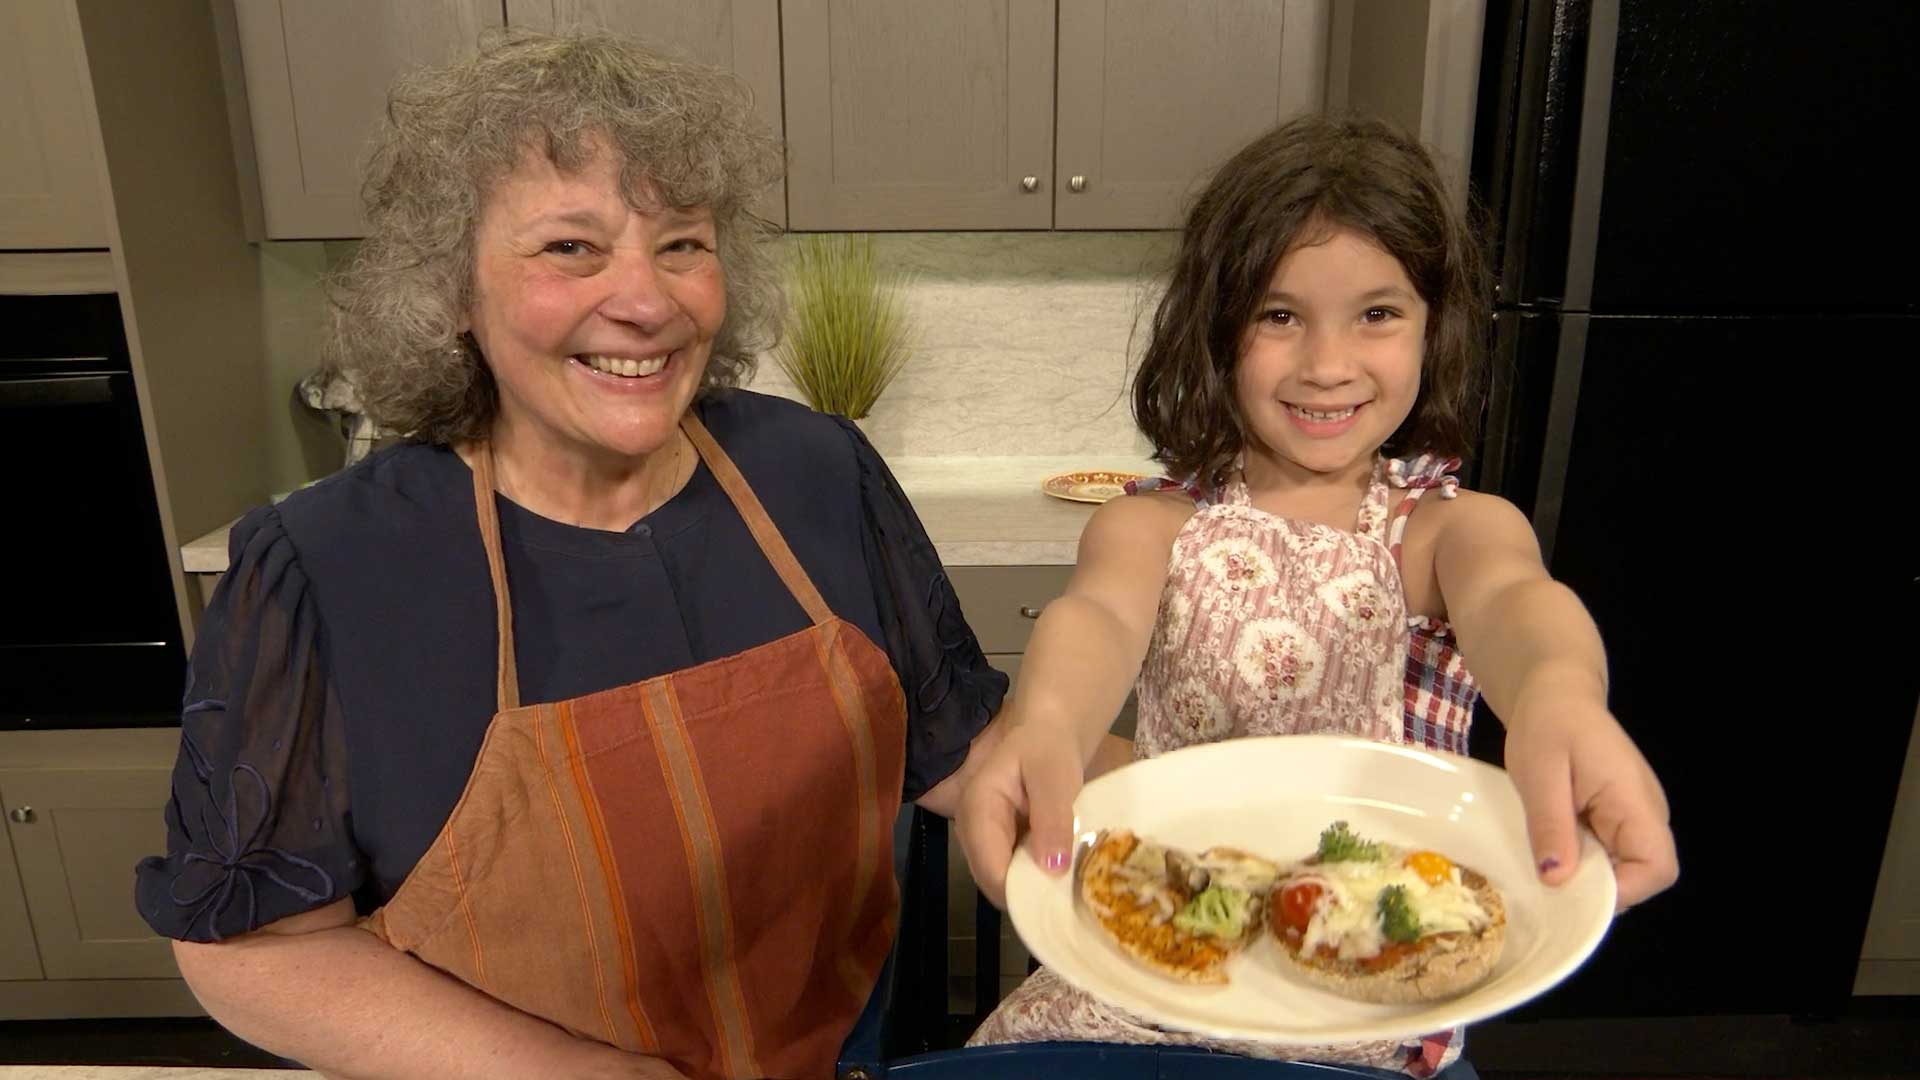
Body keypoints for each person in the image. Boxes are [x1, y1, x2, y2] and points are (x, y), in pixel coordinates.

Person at [133, 29, 1008, 1080]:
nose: (646, 301)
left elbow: (958, 745)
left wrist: (1201, 820)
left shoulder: (819, 471)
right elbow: (256, 952)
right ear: (455, 291)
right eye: (570, 248)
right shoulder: (328, 567)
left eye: (682, 243)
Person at [955, 114, 1679, 1076]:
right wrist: (1045, 721)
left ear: (1435, 326)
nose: (1327, 364)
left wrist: (1560, 698)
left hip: (1369, 994)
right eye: (1279, 314)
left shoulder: (1443, 530)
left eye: (1378, 314)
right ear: (1216, 330)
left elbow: (1516, 601)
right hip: (1154, 977)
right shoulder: (1151, 526)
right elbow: (1095, 619)